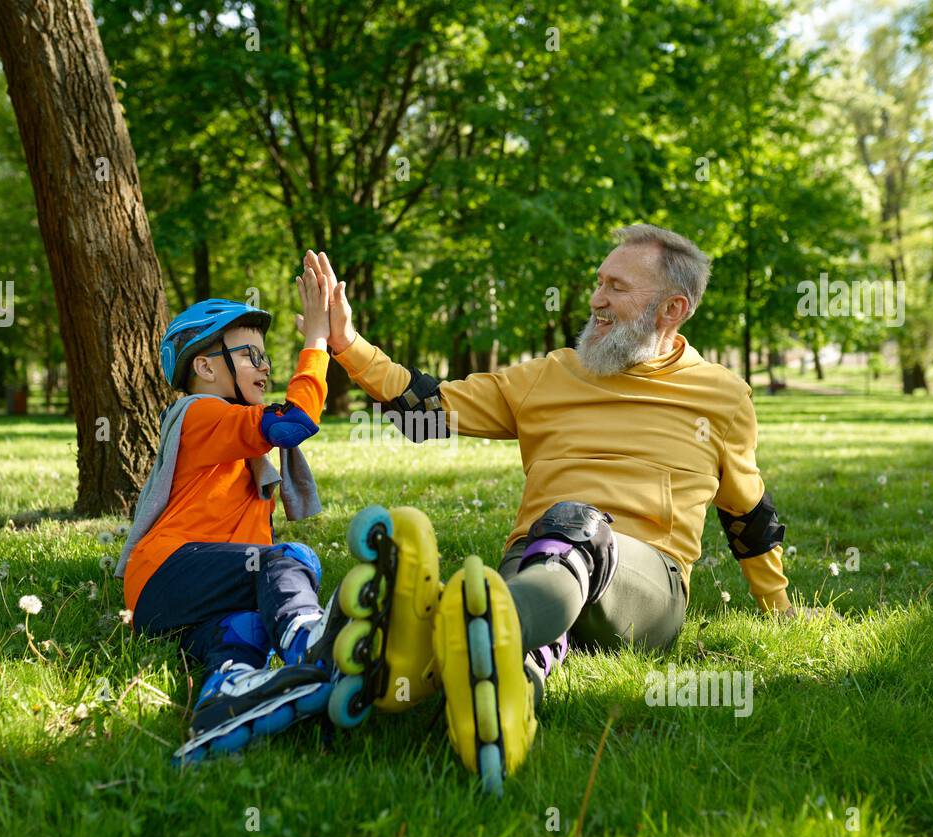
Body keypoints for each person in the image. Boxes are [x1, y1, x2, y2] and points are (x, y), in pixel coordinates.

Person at [305, 225, 815, 793]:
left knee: (573, 525)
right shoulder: (549, 374)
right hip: (535, 565)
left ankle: (453, 629)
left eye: (617, 287)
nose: (596, 299)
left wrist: (779, 605)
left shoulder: (721, 395)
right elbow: (427, 409)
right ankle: (500, 678)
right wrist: (347, 343)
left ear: (673, 308)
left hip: (645, 591)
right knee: (546, 568)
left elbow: (747, 513)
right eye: (598, 283)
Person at [114, 259, 345, 762]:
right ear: (206, 366)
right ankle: (314, 646)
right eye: (250, 356)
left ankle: (225, 696)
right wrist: (319, 342)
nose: (265, 368)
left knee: (250, 628)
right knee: (289, 559)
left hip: (176, 601)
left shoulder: (236, 438)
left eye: (265, 358)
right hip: (168, 571)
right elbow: (294, 421)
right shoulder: (203, 413)